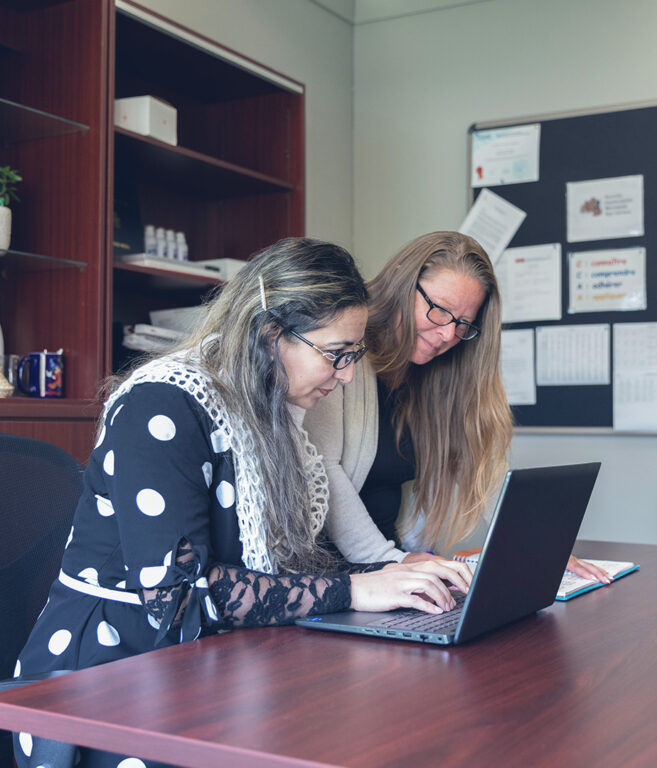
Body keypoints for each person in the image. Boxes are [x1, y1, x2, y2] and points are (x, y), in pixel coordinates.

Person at [12, 238, 472, 768]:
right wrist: (355, 587)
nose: (347, 375)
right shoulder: (160, 406)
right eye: (338, 354)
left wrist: (402, 574)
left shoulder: (270, 416)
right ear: (271, 333)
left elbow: (286, 569)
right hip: (109, 678)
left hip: (208, 660)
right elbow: (178, 598)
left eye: (354, 355)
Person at [304, 231, 608, 582]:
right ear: (403, 279)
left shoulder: (440, 372)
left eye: (463, 323)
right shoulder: (344, 353)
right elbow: (323, 469)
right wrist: (386, 559)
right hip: (335, 574)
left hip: (391, 567)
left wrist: (532, 545)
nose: (449, 335)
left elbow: (486, 466)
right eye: (439, 310)